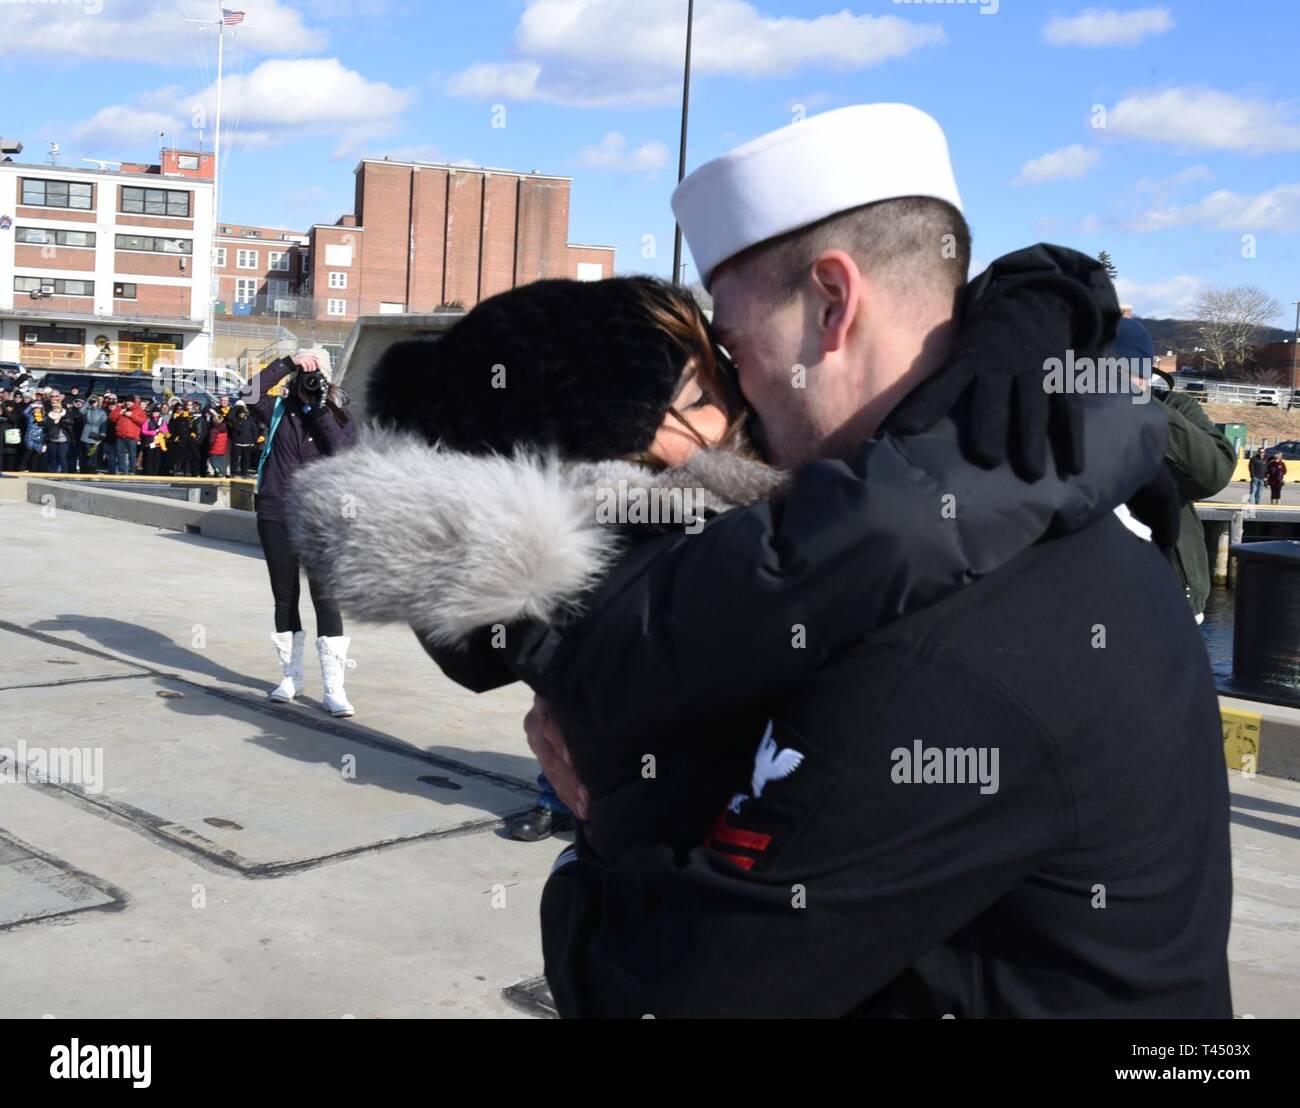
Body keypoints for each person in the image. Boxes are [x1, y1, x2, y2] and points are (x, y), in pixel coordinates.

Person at [304, 105, 1229, 1018]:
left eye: (736, 348)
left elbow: (667, 988)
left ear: (832, 304)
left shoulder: (934, 642)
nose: (736, 391)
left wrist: (586, 854)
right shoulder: (1030, 526)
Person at [247, 348, 356, 716]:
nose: (308, 383)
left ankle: (334, 687)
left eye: (316, 376)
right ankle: (291, 677)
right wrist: (288, 362)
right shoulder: (276, 410)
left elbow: (342, 452)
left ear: (328, 381)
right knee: (284, 597)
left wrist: (320, 408)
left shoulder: (339, 417)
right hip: (275, 513)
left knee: (326, 598)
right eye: (304, 376)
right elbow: (248, 392)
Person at [1111, 315, 1234, 622]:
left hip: (1168, 603)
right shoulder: (1059, 411)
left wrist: (1137, 405)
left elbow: (1211, 475)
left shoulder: (1175, 408)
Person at [108, 395, 146, 475]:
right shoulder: (120, 408)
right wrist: (119, 413)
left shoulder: (139, 410)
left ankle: (132, 471)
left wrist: (131, 415)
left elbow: (142, 421)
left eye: (130, 402)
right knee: (120, 454)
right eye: (127, 401)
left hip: (132, 437)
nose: (128, 403)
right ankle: (122, 470)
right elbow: (111, 417)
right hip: (120, 436)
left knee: (132, 455)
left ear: (133, 402)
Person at [230, 401, 259, 477]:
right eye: (241, 413)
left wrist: (253, 440)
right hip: (237, 443)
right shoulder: (235, 420)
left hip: (247, 443)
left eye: (244, 412)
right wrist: (236, 408)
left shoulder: (250, 420)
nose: (242, 414)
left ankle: (244, 473)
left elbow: (255, 430)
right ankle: (233, 473)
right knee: (234, 459)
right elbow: (230, 417)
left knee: (245, 460)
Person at [80, 396, 108, 471]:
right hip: (86, 432)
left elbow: (104, 423)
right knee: (87, 452)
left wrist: (103, 433)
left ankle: (92, 467)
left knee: (93, 453)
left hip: (96, 433)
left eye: (94, 401)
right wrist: (88, 402)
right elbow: (81, 411)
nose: (93, 403)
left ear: (98, 402)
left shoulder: (102, 412)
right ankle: (86, 468)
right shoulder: (88, 409)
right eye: (92, 401)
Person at [20, 393, 46, 472]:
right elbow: (24, 413)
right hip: (30, 438)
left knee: (35, 458)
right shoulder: (30, 416)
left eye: (39, 407)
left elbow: (46, 430)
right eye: (36, 407)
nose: (37, 408)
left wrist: (44, 443)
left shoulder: (45, 418)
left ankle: (33, 471)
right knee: (27, 455)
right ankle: (22, 469)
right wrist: (31, 405)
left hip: (39, 440)